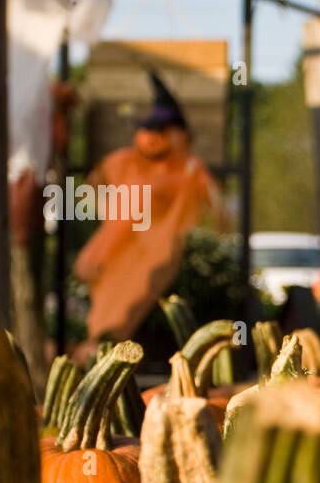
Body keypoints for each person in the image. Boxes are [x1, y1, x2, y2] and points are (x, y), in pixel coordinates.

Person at [73, 72, 226, 343]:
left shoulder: (188, 169)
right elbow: (92, 188)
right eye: (149, 131)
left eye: (161, 132)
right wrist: (110, 212)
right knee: (107, 315)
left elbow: (215, 206)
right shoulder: (124, 162)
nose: (152, 139)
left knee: (124, 311)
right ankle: (99, 349)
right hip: (116, 254)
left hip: (155, 257)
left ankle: (104, 349)